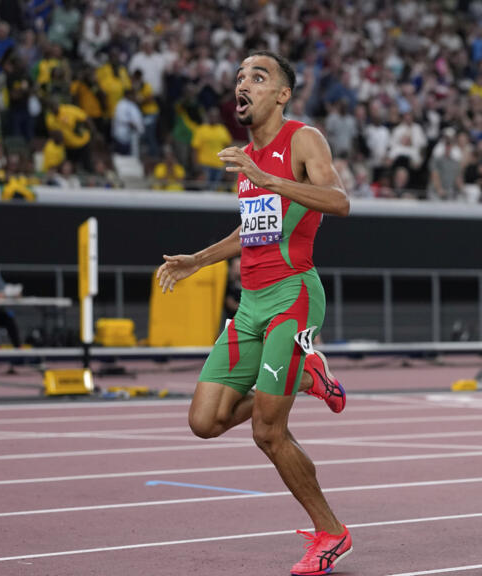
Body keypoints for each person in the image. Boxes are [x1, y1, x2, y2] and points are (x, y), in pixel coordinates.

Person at [155, 51, 353, 576]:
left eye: (258, 77)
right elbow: (254, 232)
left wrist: (271, 180)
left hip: (293, 296)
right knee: (204, 421)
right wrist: (198, 260)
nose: (244, 83)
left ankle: (332, 534)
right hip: (250, 305)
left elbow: (338, 201)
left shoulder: (303, 139)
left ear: (282, 95)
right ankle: (304, 376)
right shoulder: (243, 158)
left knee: (267, 430)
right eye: (240, 75)